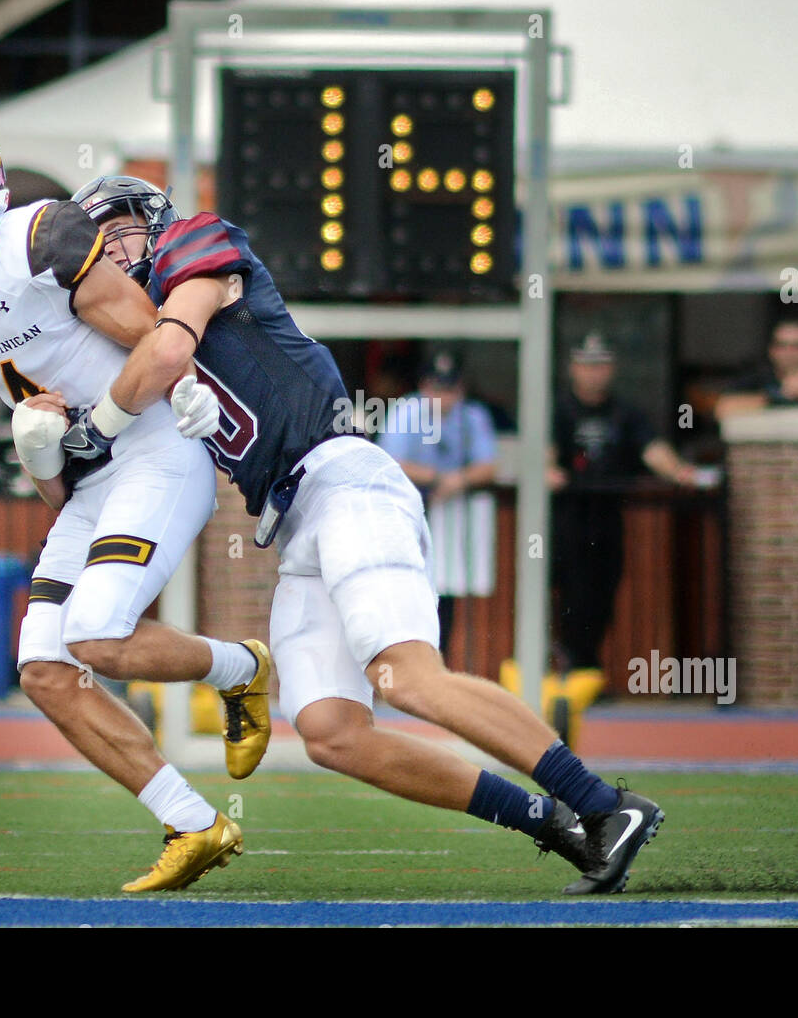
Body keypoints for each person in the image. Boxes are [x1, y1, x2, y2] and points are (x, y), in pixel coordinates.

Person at [61, 176, 665, 896]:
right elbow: (102, 456)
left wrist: (104, 415)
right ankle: (551, 822)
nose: (114, 248)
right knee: (330, 731)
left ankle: (605, 803)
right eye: (101, 241)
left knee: (405, 676)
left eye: (122, 227)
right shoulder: (129, 344)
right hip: (293, 524)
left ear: (153, 221)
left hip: (344, 480)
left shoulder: (192, 246)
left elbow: (170, 346)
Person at [0, 115, 272, 893]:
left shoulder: (41, 236)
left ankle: (241, 667)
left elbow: (150, 329)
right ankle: (192, 821)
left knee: (96, 635)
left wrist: (186, 388)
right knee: (44, 668)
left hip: (152, 447)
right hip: (86, 477)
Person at [547, 333, 702, 710]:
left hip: (607, 521)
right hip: (566, 521)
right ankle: (570, 676)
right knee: (570, 600)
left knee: (601, 599)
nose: (594, 374)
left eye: (601, 365)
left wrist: (679, 471)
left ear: (611, 369)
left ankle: (587, 675)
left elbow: (653, 450)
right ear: (573, 369)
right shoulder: (558, 410)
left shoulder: (626, 413)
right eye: (587, 365)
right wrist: (547, 469)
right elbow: (542, 453)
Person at [377, 349, 499, 666]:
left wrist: (456, 480)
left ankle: (436, 660)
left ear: (460, 390)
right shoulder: (407, 411)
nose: (443, 397)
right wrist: (437, 477)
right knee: (403, 585)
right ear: (424, 387)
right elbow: (390, 461)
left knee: (445, 588)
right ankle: (403, 662)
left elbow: (489, 466)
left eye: (450, 389)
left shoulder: (472, 416)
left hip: (450, 514)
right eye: (436, 388)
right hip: (407, 510)